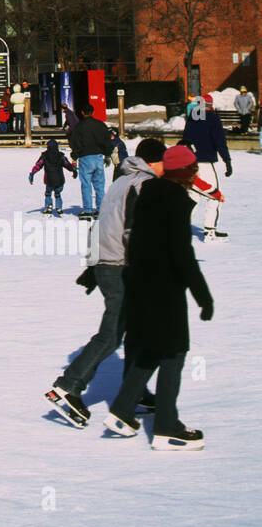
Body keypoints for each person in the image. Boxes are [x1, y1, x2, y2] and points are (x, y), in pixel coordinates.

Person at [45, 138, 167, 427]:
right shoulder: (142, 185)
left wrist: (93, 263)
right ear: (153, 162)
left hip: (108, 261)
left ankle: (133, 391)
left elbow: (102, 222)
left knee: (134, 329)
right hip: (119, 265)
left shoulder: (123, 181)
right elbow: (132, 232)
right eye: (164, 162)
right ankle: (67, 386)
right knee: (113, 332)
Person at [104, 146, 214, 449]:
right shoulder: (176, 201)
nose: (196, 173)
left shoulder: (150, 193)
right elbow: (182, 254)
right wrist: (203, 296)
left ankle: (122, 411)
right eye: (192, 169)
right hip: (164, 288)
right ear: (180, 171)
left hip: (140, 282)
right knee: (174, 354)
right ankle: (166, 427)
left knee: (152, 351)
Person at [180, 93, 232, 241]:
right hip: (205, 162)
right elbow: (219, 141)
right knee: (215, 195)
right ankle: (210, 231)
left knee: (194, 196)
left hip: (190, 162)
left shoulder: (191, 118)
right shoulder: (212, 118)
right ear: (209, 105)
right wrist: (227, 161)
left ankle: (181, 227)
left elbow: (185, 139)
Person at [67, 104, 113, 219]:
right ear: (93, 112)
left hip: (85, 157)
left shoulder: (78, 127)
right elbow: (107, 140)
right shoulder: (100, 125)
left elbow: (74, 142)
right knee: (99, 185)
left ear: (82, 112)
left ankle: (87, 209)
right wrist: (107, 155)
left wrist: (74, 156)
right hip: (98, 157)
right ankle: (100, 209)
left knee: (86, 185)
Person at [29, 138, 77, 215]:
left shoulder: (44, 156)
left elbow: (38, 165)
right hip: (60, 180)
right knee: (57, 194)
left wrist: (32, 173)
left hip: (49, 180)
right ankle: (59, 207)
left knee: (48, 193)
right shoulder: (61, 156)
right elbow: (67, 165)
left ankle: (48, 206)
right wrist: (73, 170)